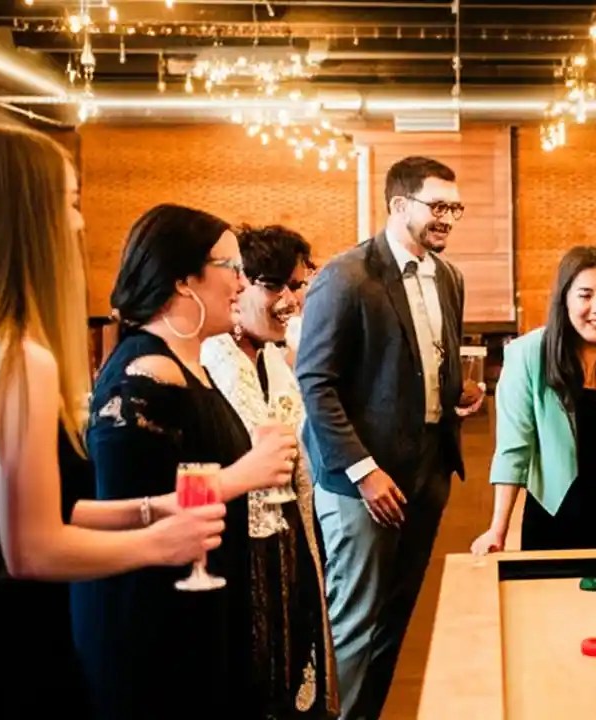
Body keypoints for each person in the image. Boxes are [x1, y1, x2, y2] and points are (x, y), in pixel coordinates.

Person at [0, 126, 228, 717]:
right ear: (29, 215)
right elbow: (30, 548)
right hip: (17, 649)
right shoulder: (20, 358)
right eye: (72, 202)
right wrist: (158, 543)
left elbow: (39, 509)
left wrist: (152, 509)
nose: (81, 225)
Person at [72, 204, 297, 719]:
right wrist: (246, 474)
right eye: (230, 267)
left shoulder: (188, 363)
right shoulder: (149, 370)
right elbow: (128, 505)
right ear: (182, 280)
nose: (241, 284)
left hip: (197, 603)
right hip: (155, 621)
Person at [297, 155, 484, 718]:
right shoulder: (347, 275)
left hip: (427, 471)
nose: (447, 217)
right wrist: (363, 470)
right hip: (361, 483)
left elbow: (423, 366)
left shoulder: (448, 276)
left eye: (454, 207)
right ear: (399, 205)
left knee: (396, 615)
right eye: (437, 205)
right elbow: (316, 382)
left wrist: (459, 395)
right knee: (356, 621)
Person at [201, 224, 337, 717]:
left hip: (287, 534)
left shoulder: (275, 360)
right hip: (235, 542)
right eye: (276, 285)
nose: (290, 301)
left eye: (298, 286)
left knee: (292, 657)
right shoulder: (210, 361)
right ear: (240, 288)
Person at [471, 246, 596, 554]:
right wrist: (498, 529)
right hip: (554, 518)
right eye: (585, 295)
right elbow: (514, 449)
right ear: (564, 298)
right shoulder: (527, 355)